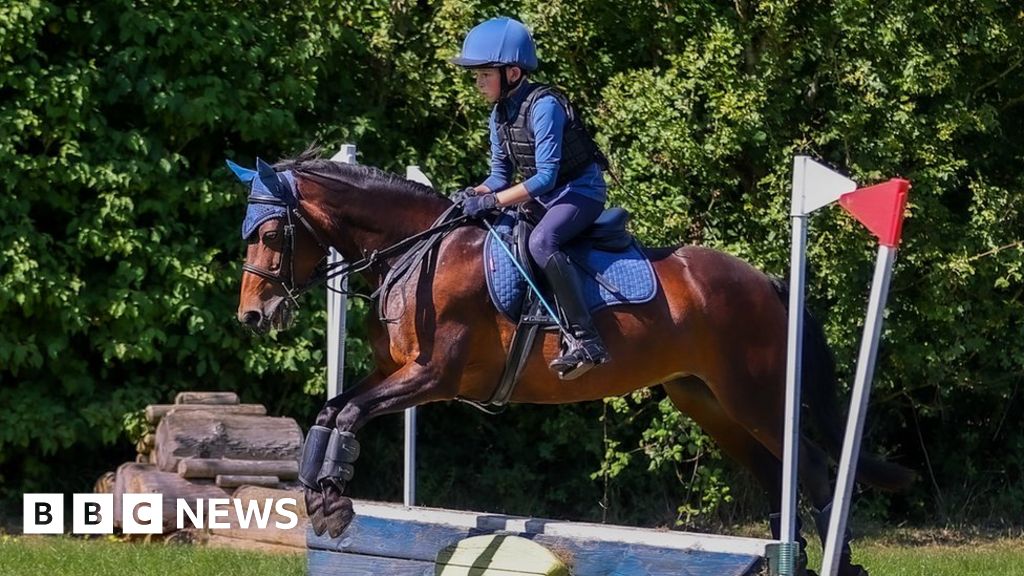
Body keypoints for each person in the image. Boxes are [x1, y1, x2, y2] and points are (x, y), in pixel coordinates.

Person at [451, 16, 611, 380]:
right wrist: (471, 194)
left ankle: (587, 340)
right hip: (547, 195)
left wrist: (493, 201)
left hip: (579, 193)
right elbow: (498, 177)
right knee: (500, 231)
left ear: (512, 73)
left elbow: (544, 178)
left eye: (483, 75)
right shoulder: (499, 114)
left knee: (542, 241)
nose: (477, 84)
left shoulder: (545, 106)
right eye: (476, 76)